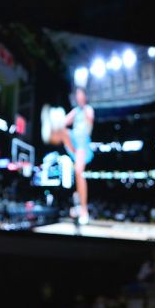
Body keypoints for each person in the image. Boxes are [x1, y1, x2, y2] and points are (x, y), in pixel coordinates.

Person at [61, 87, 95, 225]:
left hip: (83, 143)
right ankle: (79, 204)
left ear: (85, 97)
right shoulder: (76, 111)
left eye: (81, 94)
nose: (78, 97)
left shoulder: (88, 109)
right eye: (77, 95)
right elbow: (62, 122)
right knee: (61, 130)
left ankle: (84, 210)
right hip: (74, 143)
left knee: (79, 171)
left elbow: (89, 124)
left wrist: (85, 116)